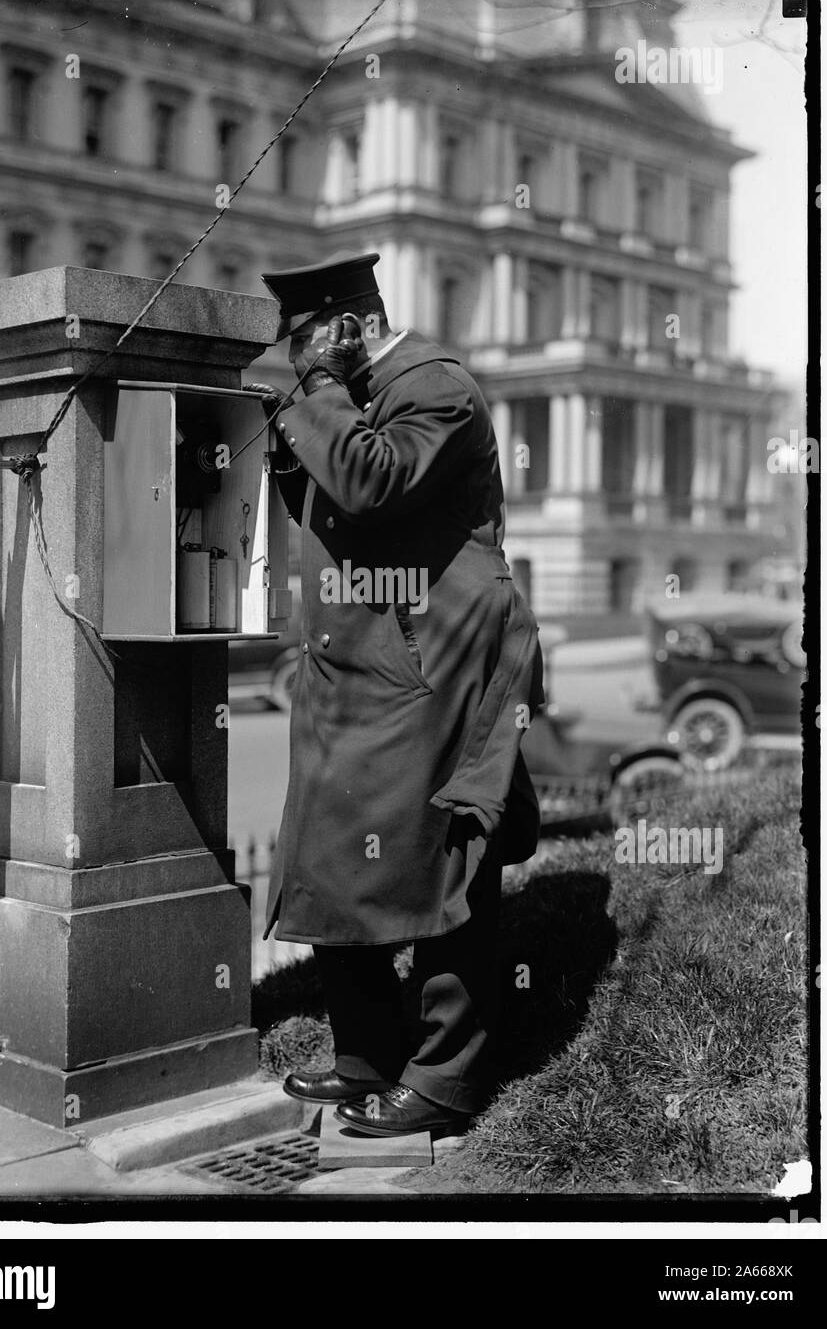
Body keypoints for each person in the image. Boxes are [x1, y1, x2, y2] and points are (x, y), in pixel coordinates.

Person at [244, 250, 544, 1136]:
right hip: (357, 667)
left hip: (434, 664)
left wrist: (318, 396)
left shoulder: (434, 385)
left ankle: (444, 1079)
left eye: (302, 345)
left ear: (343, 329)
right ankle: (364, 1055)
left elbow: (371, 482)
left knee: (442, 861)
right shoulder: (351, 393)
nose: (295, 365)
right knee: (333, 854)